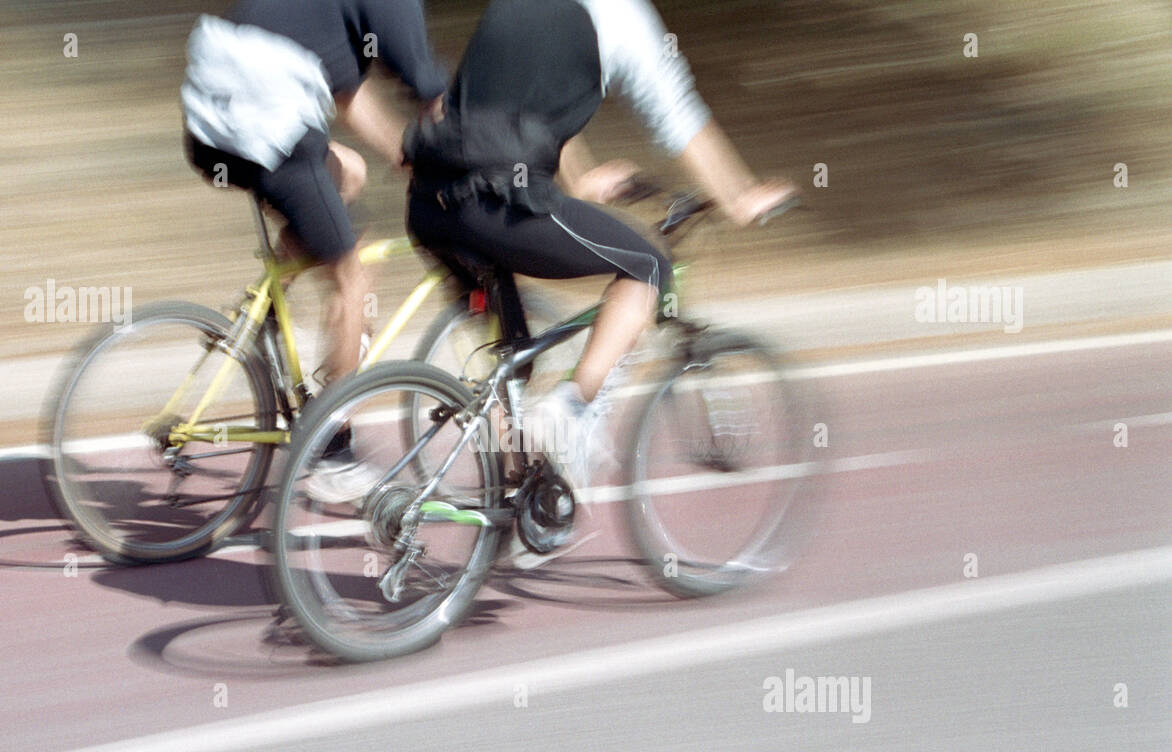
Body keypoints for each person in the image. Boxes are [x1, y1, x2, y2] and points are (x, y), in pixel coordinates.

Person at [404, 0, 799, 495]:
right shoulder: (623, 15)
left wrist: (583, 178)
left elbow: (519, 107)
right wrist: (738, 197)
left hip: (429, 202)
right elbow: (677, 117)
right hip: (494, 200)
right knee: (649, 265)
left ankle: (515, 505)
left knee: (515, 364)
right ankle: (571, 405)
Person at [181, 0, 446, 387]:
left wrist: (408, 159)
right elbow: (430, 92)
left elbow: (349, 99)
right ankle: (333, 431)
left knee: (349, 173)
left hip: (208, 126)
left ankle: (264, 307)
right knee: (354, 274)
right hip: (267, 123)